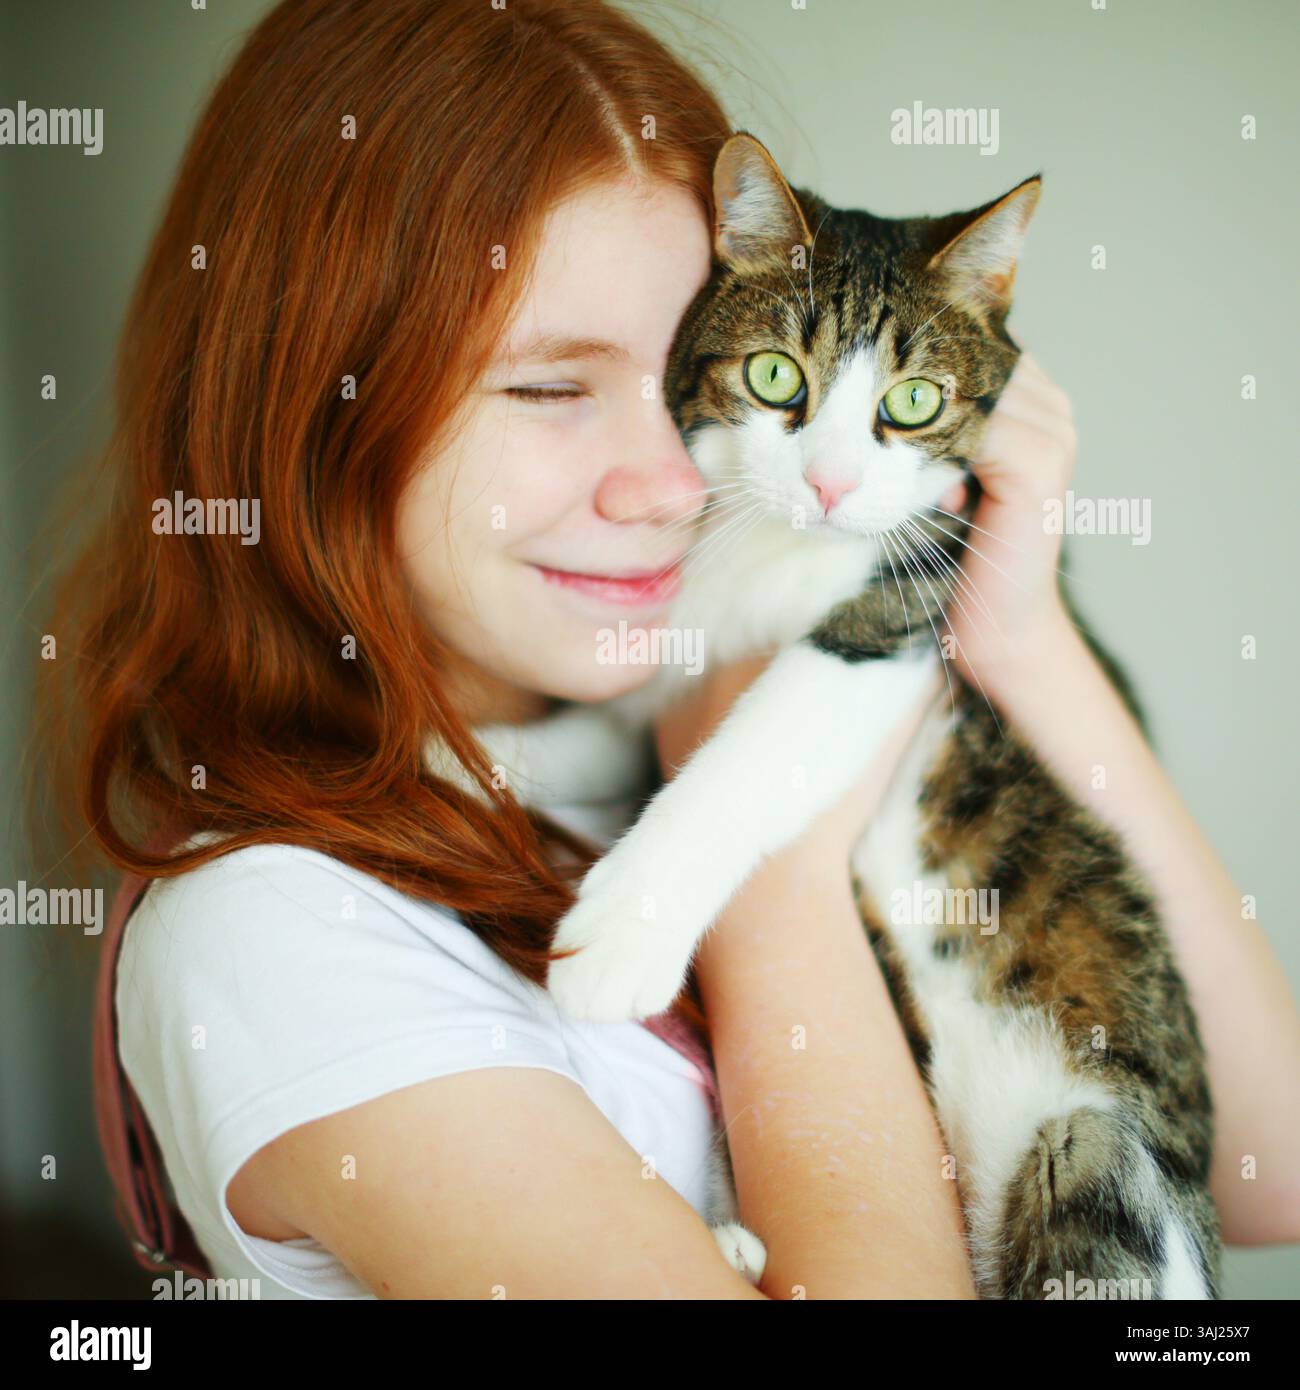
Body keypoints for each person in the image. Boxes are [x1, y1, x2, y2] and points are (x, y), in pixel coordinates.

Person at [46, 0, 1299, 1300]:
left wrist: (1017, 629)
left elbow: (1267, 1170)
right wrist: (774, 873)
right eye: (548, 387)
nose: (665, 480)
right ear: (312, 398)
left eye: (695, 373)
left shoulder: (645, 724)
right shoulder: (277, 936)